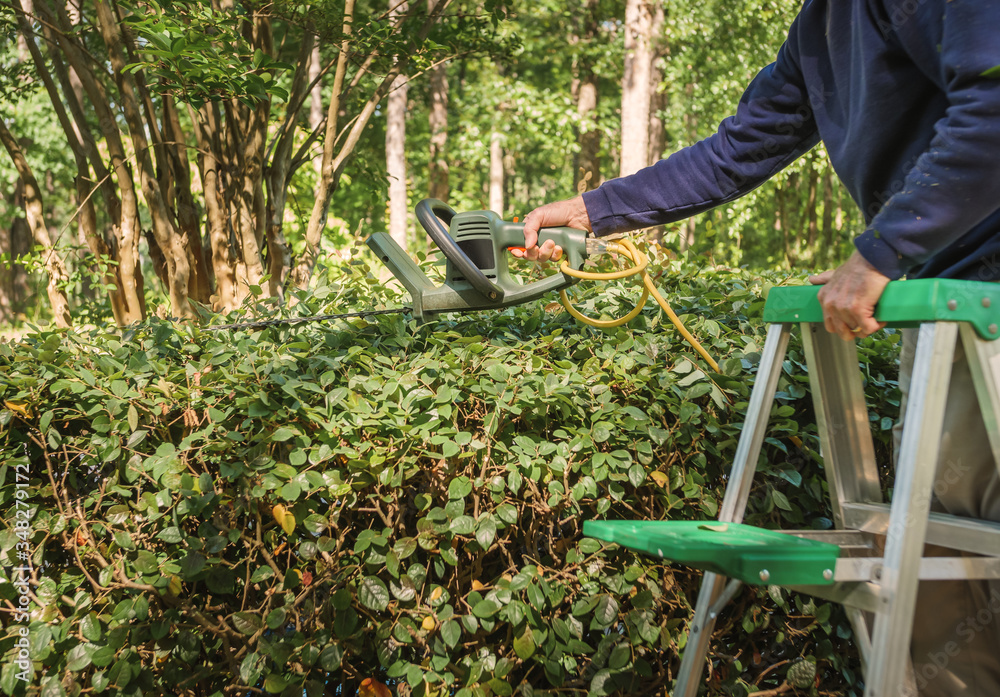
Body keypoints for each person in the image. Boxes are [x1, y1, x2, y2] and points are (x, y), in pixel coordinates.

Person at [513, 1, 1000, 695]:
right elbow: (739, 147)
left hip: (984, 302)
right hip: (943, 300)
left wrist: (879, 253)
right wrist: (596, 210)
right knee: (947, 564)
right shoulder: (821, 27)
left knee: (962, 553)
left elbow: (994, 103)